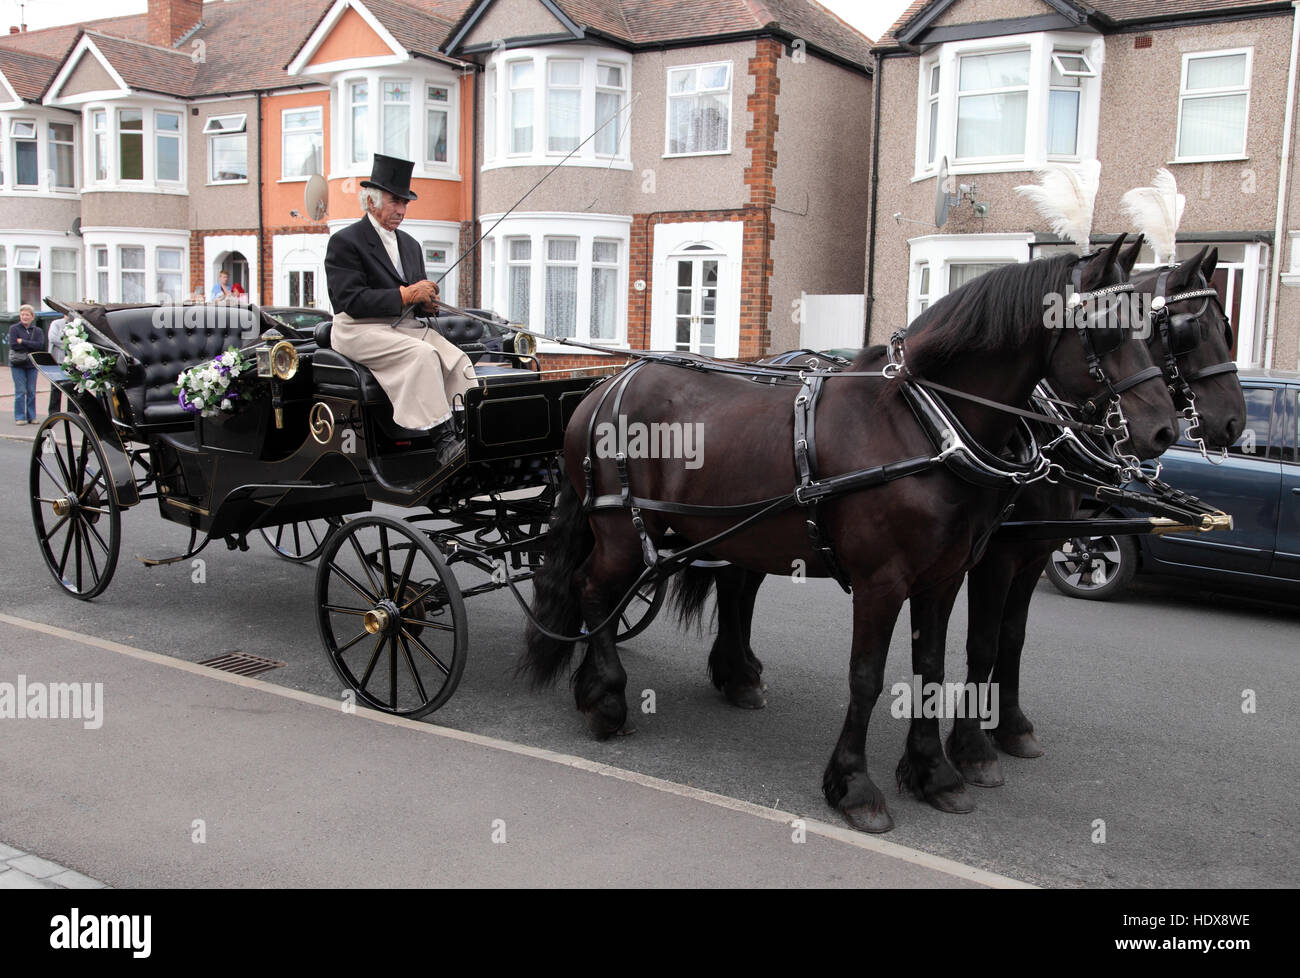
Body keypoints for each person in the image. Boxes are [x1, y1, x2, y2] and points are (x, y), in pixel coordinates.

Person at [324, 153, 475, 470]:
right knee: (422, 356)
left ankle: (469, 433)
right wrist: (406, 294)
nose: (402, 211)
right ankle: (445, 444)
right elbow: (349, 300)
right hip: (357, 329)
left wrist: (425, 303)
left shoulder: (410, 245)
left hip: (402, 328)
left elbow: (414, 301)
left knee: (458, 360)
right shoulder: (345, 242)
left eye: (405, 203)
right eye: (396, 202)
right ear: (371, 200)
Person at [8, 304, 44, 425]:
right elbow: (13, 345)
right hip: (17, 364)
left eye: (27, 315)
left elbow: (39, 345)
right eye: (22, 314)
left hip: (32, 364)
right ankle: (20, 417)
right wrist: (30, 344)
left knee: (31, 391)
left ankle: (32, 416)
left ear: (32, 317)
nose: (24, 317)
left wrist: (23, 341)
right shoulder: (14, 329)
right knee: (20, 391)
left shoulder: (37, 330)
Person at [47, 311, 68, 415]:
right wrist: (68, 344)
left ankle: (73, 411)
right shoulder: (56, 323)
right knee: (56, 387)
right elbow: (53, 338)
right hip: (57, 360)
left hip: (72, 361)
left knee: (73, 387)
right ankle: (53, 412)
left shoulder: (77, 325)